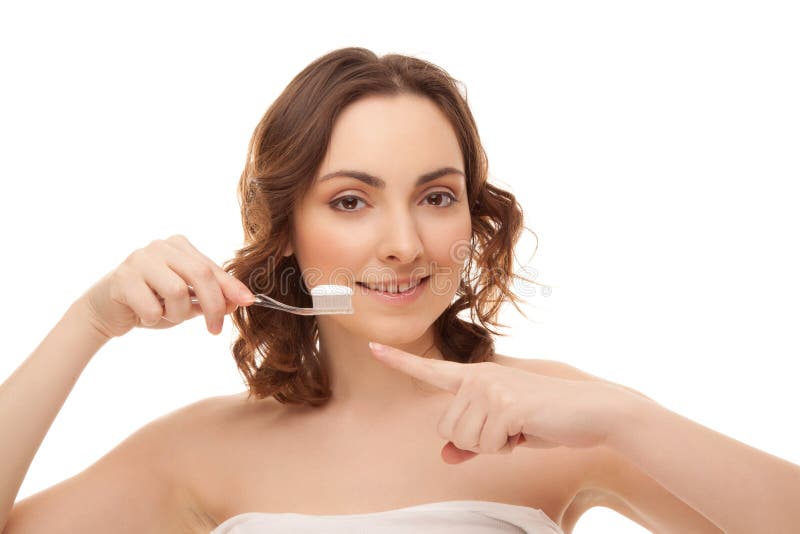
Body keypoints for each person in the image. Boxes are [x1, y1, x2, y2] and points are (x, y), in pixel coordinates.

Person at [1, 46, 798, 534]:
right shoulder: (196, 452)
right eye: (351, 200)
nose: (405, 244)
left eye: (437, 195)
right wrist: (88, 321)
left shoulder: (560, 419)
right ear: (288, 229)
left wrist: (626, 419)